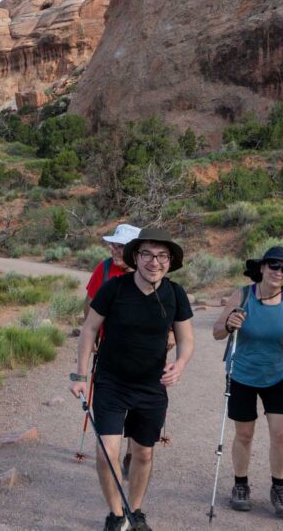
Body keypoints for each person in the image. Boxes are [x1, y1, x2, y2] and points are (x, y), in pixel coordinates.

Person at [71, 227, 195, 531]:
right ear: (136, 257)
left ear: (170, 261)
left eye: (162, 255)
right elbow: (89, 328)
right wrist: (79, 373)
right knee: (106, 453)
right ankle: (116, 515)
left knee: (143, 453)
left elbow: (187, 338)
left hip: (152, 386)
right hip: (112, 382)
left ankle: (136, 510)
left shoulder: (175, 293)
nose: (155, 262)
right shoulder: (114, 288)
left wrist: (180, 364)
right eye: (148, 254)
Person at [212, 246, 283, 519]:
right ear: (261, 267)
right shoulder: (243, 295)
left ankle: (278, 488)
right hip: (242, 375)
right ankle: (240, 485)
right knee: (244, 434)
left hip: (278, 377)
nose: (278, 272)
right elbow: (217, 333)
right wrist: (230, 324)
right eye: (273, 265)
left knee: (280, 435)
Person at [82, 224, 174, 479]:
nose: (115, 250)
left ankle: (133, 451)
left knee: (142, 410)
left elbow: (169, 311)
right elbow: (89, 304)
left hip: (148, 357)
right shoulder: (105, 269)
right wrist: (95, 335)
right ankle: (113, 454)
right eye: (113, 245)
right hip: (111, 351)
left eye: (121, 246)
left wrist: (171, 335)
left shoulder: (152, 272)